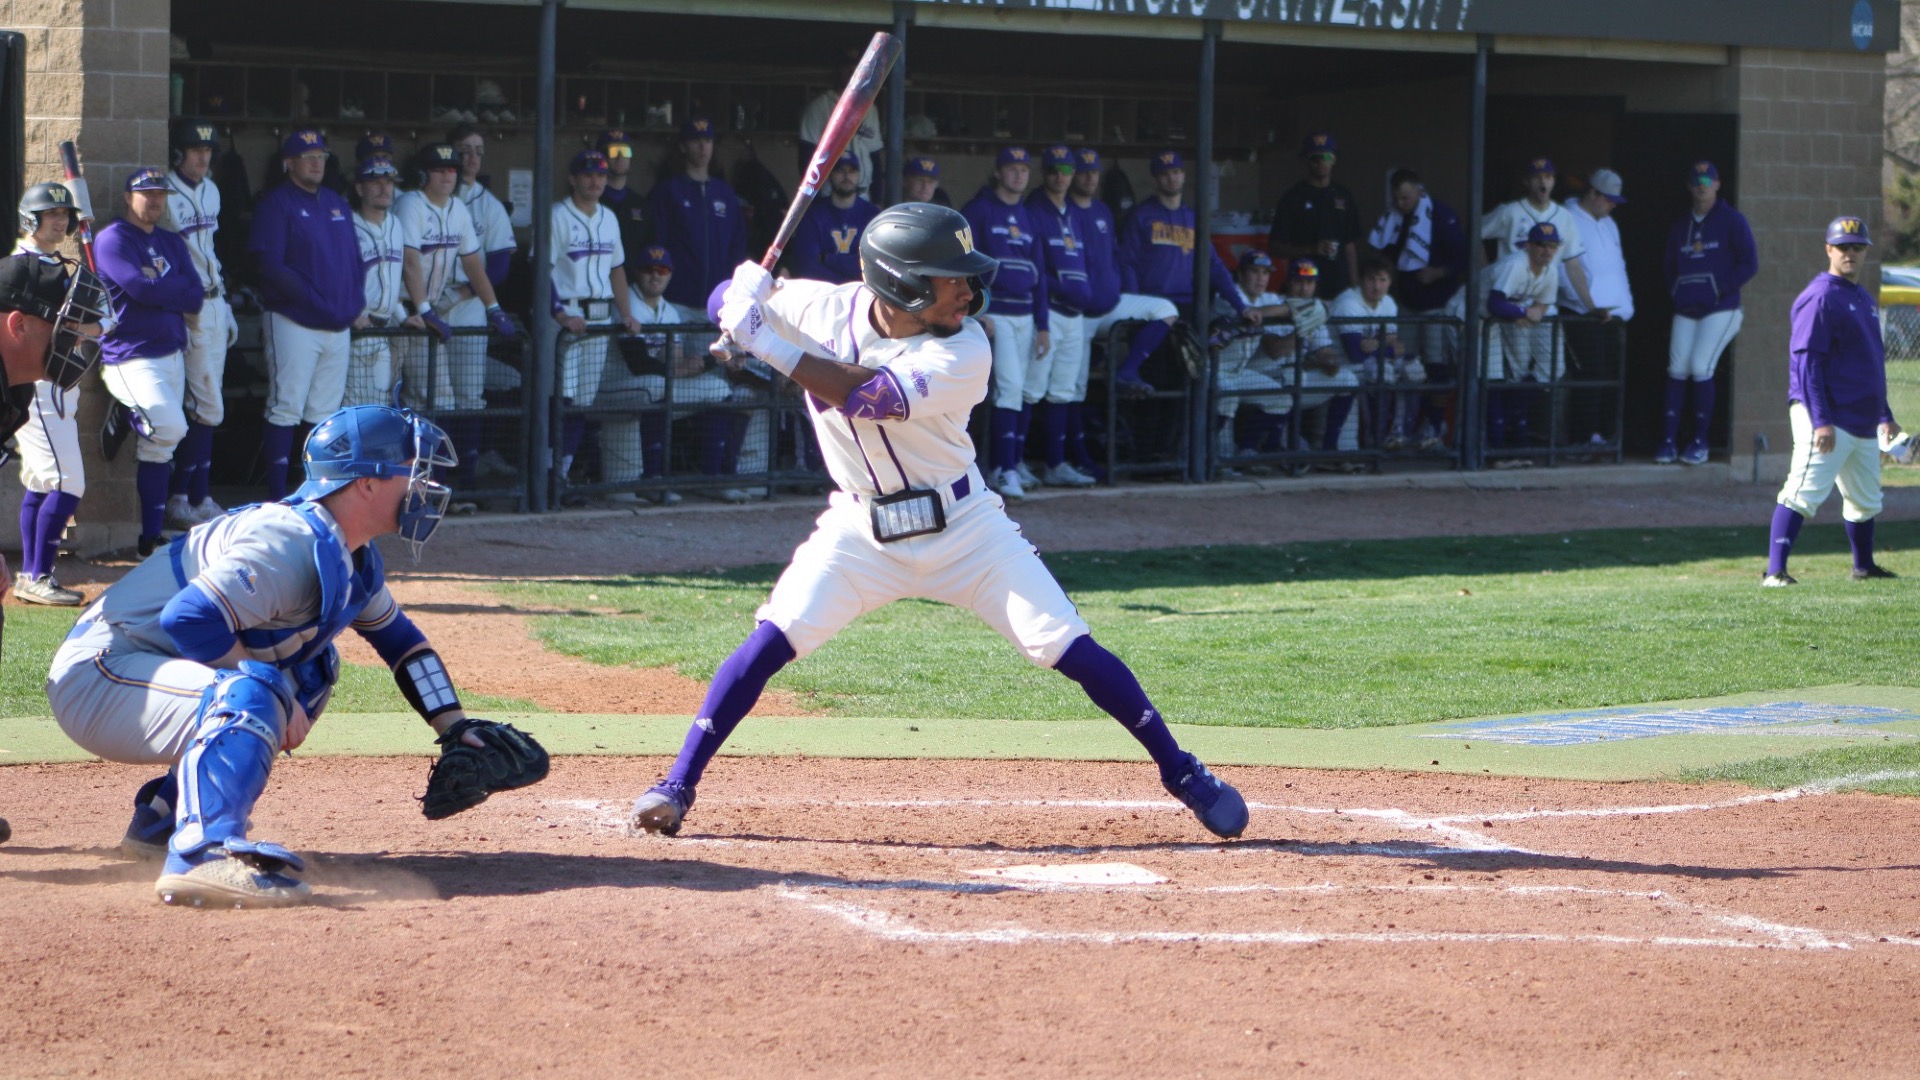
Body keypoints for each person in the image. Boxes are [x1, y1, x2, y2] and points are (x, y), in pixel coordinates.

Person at [627, 202, 1248, 842]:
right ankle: (677, 783)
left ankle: (1183, 772)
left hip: (965, 528)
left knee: (1066, 643)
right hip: (859, 529)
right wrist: (736, 296)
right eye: (951, 278)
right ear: (903, 282)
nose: (969, 291)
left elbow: (874, 397)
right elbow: (724, 297)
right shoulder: (823, 307)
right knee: (771, 637)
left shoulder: (965, 349)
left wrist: (765, 342)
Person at [46, 405, 549, 907]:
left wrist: (455, 727)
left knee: (309, 672)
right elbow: (189, 618)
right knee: (261, 687)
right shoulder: (288, 538)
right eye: (411, 471)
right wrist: (272, 690)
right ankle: (204, 853)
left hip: (146, 672)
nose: (424, 484)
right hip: (102, 672)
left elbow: (402, 643)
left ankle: (165, 816)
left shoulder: (346, 551)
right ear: (366, 483)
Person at [1763, 216, 1897, 587]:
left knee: (1865, 499)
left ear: (1866, 251)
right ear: (1828, 250)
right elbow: (1807, 363)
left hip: (1860, 417)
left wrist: (1884, 414)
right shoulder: (1821, 296)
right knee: (1802, 492)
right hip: (1825, 416)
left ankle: (1864, 567)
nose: (1850, 253)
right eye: (1843, 247)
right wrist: (1820, 420)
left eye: (1856, 246)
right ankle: (1775, 572)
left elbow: (1870, 364)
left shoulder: (1862, 298)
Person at [600, 244, 766, 504]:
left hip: (655, 382)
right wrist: (681, 369)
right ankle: (653, 479)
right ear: (637, 272)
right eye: (648, 269)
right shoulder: (626, 306)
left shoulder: (670, 311)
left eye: (662, 270)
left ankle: (712, 476)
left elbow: (674, 359)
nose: (655, 276)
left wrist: (702, 363)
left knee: (718, 389)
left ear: (670, 274)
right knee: (656, 386)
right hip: (615, 385)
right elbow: (638, 364)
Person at [249, 129, 364, 501]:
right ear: (289, 162)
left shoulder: (336, 203)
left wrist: (353, 303)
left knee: (325, 411)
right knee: (287, 406)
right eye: (307, 156)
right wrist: (315, 300)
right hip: (293, 320)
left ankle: (315, 491)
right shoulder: (276, 203)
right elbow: (268, 264)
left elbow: (355, 262)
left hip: (336, 323)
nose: (316, 162)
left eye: (321, 156)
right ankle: (278, 494)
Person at [96, 168, 204, 555]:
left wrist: (160, 290)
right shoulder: (112, 239)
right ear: (129, 197)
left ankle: (148, 540)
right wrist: (166, 289)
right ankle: (129, 414)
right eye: (146, 194)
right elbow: (138, 287)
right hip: (131, 356)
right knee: (172, 427)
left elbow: (196, 297)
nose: (154, 200)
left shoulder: (171, 242)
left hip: (172, 351)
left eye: (160, 193)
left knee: (160, 449)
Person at [6, 207, 107, 604]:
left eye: (64, 213)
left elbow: (103, 322)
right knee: (68, 483)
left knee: (39, 481)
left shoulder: (58, 266)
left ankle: (32, 575)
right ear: (29, 219)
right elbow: (55, 327)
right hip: (39, 381)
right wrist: (85, 326)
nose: (59, 221)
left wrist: (95, 321)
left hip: (61, 382)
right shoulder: (20, 268)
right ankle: (39, 576)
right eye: (49, 213)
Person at [392, 143, 515, 464]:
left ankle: (432, 480)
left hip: (423, 314)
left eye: (451, 170)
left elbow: (473, 263)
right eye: (438, 169)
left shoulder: (457, 208)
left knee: (438, 399)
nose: (447, 175)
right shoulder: (410, 204)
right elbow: (409, 263)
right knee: (390, 399)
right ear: (423, 174)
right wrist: (426, 310)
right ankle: (399, 482)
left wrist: (494, 308)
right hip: (398, 311)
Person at [1070, 147, 1179, 475]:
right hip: (1074, 315)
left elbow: (1117, 258)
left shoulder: (1103, 210)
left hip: (1111, 305)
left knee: (1165, 309)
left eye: (1094, 172)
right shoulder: (1059, 211)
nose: (1090, 178)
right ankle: (1077, 459)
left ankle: (1128, 370)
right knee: (1072, 390)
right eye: (1083, 172)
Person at [1116, 148, 1251, 395]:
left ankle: (1178, 436)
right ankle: (1147, 435)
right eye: (1165, 173)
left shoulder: (1193, 218)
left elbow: (1214, 267)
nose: (1172, 178)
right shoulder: (1141, 215)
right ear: (1155, 178)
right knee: (1150, 386)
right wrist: (1133, 307)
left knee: (1184, 386)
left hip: (1186, 310)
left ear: (1184, 175)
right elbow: (1127, 263)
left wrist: (1241, 306)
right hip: (1151, 309)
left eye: (1176, 172)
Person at [962, 145, 1049, 498]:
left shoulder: (1029, 216)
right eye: (1011, 168)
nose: (1018, 174)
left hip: (1027, 314)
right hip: (997, 314)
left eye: (1024, 169)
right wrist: (977, 312)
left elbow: (1040, 272)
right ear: (998, 172)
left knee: (1029, 389)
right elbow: (965, 265)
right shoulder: (979, 210)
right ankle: (1004, 469)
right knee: (1009, 389)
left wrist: (1043, 324)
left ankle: (1012, 461)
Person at [552, 149, 644, 483]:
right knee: (562, 398)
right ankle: (549, 469)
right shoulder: (557, 215)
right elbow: (541, 270)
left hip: (601, 317)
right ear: (572, 178)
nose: (595, 181)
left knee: (583, 401)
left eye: (601, 175)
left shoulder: (609, 217)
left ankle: (561, 471)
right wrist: (559, 313)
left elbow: (617, 269)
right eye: (588, 174)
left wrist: (627, 313)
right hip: (568, 313)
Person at [159, 119, 233, 528]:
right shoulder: (168, 193)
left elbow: (212, 250)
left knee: (209, 402)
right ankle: (185, 495)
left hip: (215, 300)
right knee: (205, 406)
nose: (203, 157)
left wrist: (227, 305)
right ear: (178, 154)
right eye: (194, 150)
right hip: (191, 306)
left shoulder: (212, 189)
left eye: (207, 151)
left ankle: (195, 495)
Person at [1661, 160, 1758, 466]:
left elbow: (1749, 263)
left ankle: (1700, 442)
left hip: (1722, 307)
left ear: (1717, 185)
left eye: (1707, 181)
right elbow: (1668, 268)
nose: (1702, 186)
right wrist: (1678, 291)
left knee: (1701, 367)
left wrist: (1719, 289)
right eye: (1697, 181)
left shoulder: (1732, 221)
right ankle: (1667, 441)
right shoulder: (1681, 227)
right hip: (1687, 307)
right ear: (1689, 186)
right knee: (1677, 368)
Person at [1369, 168, 1466, 449]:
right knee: (1403, 366)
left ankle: (1434, 425)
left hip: (1437, 305)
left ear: (1419, 192)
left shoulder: (1441, 216)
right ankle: (1400, 426)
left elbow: (1462, 258)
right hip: (1406, 305)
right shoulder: (1393, 219)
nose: (1402, 204)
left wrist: (1437, 272)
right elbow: (1383, 257)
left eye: (1407, 198)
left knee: (1436, 368)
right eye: (1397, 198)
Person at [1024, 145, 1096, 488]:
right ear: (1044, 173)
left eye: (1066, 170)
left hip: (1075, 314)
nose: (1060, 176)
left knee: (1063, 391)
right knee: (1030, 389)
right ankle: (1015, 463)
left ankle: (1056, 464)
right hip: (1047, 311)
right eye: (1053, 170)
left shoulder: (1074, 212)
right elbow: (1033, 265)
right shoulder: (1033, 209)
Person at [1559, 168, 1633, 452]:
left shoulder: (1610, 224)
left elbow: (1618, 267)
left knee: (1609, 375)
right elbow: (1567, 268)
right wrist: (1586, 304)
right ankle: (1581, 437)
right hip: (1584, 313)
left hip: (1614, 316)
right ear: (1592, 193)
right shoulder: (1568, 218)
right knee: (1590, 373)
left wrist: (1626, 306)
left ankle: (1601, 435)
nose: (1613, 205)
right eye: (1608, 199)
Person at [1482, 222, 1565, 463]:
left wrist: (1527, 312)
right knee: (1491, 378)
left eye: (1552, 246)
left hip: (1498, 321)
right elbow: (1494, 303)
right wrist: (1521, 312)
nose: (1547, 251)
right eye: (1541, 245)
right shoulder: (1516, 264)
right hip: (1471, 315)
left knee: (1522, 374)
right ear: (1529, 245)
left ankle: (1509, 440)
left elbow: (1542, 304)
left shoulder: (1550, 271)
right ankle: (1494, 451)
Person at [648, 117, 748, 310]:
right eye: (696, 141)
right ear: (684, 147)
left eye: (708, 141)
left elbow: (738, 245)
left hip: (720, 303)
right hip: (677, 300)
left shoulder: (725, 193)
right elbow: (657, 242)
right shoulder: (669, 191)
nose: (703, 147)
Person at [1264, 258, 1360, 455]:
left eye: (1309, 283)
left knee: (1348, 379)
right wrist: (1303, 331)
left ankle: (1330, 449)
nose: (1303, 288)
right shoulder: (1275, 306)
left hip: (1302, 378)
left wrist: (1330, 362)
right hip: (1272, 380)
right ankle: (1274, 445)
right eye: (1299, 282)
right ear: (1289, 282)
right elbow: (1274, 351)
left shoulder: (1315, 310)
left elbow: (1325, 353)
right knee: (1292, 374)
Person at [345, 156, 419, 408]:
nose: (384, 188)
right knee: (354, 410)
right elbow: (337, 279)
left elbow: (391, 282)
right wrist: (350, 313)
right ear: (359, 188)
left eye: (388, 182)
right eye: (375, 182)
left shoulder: (396, 224)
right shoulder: (347, 226)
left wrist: (403, 315)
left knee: (380, 408)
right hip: (355, 330)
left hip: (384, 329)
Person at [1329, 256, 1424, 449]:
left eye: (1383, 280)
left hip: (1369, 360)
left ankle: (1399, 434)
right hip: (1342, 366)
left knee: (1414, 369)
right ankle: (1375, 438)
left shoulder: (1388, 302)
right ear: (1361, 280)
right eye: (1371, 279)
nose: (1377, 286)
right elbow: (1355, 353)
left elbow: (1393, 344)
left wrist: (1379, 346)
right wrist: (1386, 348)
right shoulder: (1348, 303)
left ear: (1390, 282)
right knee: (1382, 371)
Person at [1268, 132, 1362, 299]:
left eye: (1326, 157)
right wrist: (1311, 249)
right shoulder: (1293, 198)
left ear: (1334, 160)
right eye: (1315, 157)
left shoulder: (1344, 196)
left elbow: (1349, 245)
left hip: (1340, 287)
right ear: (1306, 160)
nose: (1321, 162)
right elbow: (1275, 247)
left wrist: (1355, 285)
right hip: (1304, 286)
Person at [786, 151, 880, 284]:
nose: (847, 176)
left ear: (859, 175)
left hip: (863, 295)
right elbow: (806, 267)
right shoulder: (813, 215)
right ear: (830, 174)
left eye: (852, 171)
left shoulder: (872, 215)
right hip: (823, 296)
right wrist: (845, 286)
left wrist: (827, 258)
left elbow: (874, 266)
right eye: (840, 171)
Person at [800, 64, 883, 202]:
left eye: (857, 67)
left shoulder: (870, 108)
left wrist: (878, 199)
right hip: (828, 194)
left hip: (863, 194)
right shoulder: (819, 107)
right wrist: (812, 199)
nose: (852, 72)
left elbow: (875, 156)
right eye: (847, 67)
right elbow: (806, 157)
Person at [595, 128, 652, 268]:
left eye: (625, 151)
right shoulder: (591, 202)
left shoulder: (642, 205)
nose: (620, 157)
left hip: (633, 286)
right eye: (613, 151)